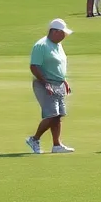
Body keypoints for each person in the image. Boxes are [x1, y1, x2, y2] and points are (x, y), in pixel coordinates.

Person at [26, 19, 73, 154]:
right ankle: (34, 139)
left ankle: (56, 145)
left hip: (58, 83)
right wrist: (45, 83)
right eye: (63, 33)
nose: (65, 36)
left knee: (58, 115)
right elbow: (34, 66)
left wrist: (64, 80)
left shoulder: (58, 45)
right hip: (44, 84)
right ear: (55, 32)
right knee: (52, 115)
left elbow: (58, 65)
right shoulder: (41, 45)